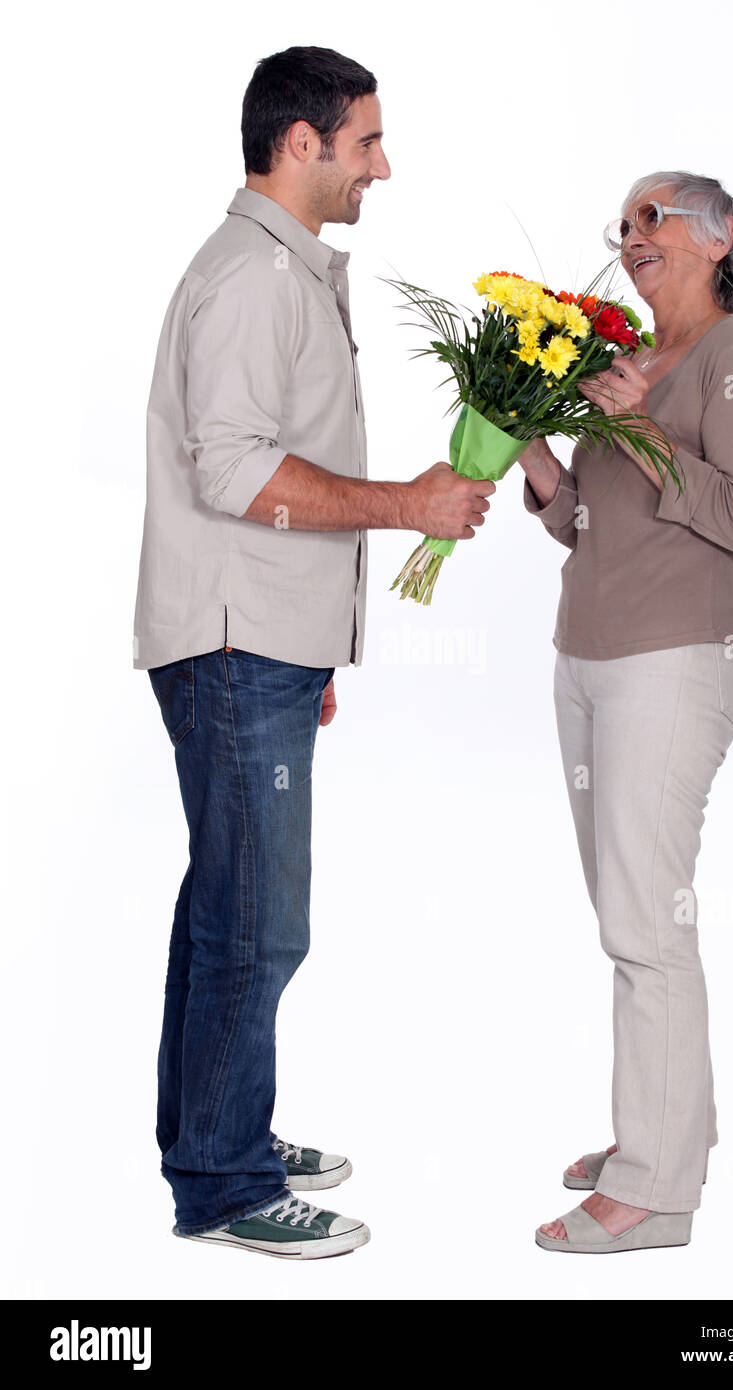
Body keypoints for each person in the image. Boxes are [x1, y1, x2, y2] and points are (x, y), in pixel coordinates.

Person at [132, 45, 495, 1260]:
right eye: (366, 143)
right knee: (258, 922)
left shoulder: (279, 268)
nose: (381, 166)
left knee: (222, 905)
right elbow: (230, 467)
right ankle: (224, 1185)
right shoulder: (250, 276)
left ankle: (215, 1128)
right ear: (303, 143)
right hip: (235, 643)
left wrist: (315, 647)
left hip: (259, 643)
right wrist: (406, 505)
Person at [518, 172, 733, 1253]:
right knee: (627, 914)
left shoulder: (732, 358)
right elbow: (586, 523)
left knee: (642, 924)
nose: (628, 238)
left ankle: (655, 1185)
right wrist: (531, 449)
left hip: (669, 665)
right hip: (586, 654)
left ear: (717, 240)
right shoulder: (625, 366)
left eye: (651, 219)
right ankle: (674, 1126)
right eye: (621, 226)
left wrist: (639, 429)